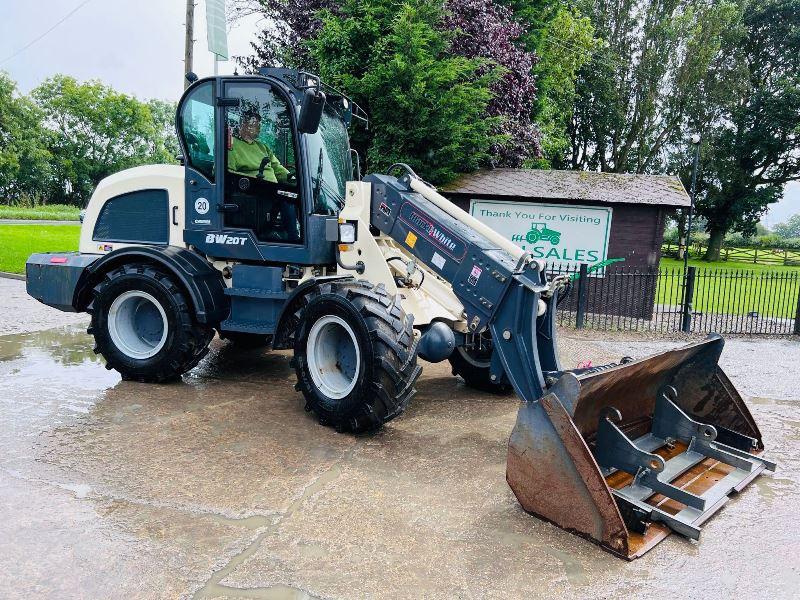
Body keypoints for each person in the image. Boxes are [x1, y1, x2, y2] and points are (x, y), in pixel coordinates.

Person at [228, 108, 290, 184]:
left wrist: (292, 178)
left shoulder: (262, 147)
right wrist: (254, 180)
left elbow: (278, 169)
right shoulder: (232, 144)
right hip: (253, 191)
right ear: (244, 125)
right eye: (255, 124)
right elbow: (226, 174)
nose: (259, 127)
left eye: (259, 124)